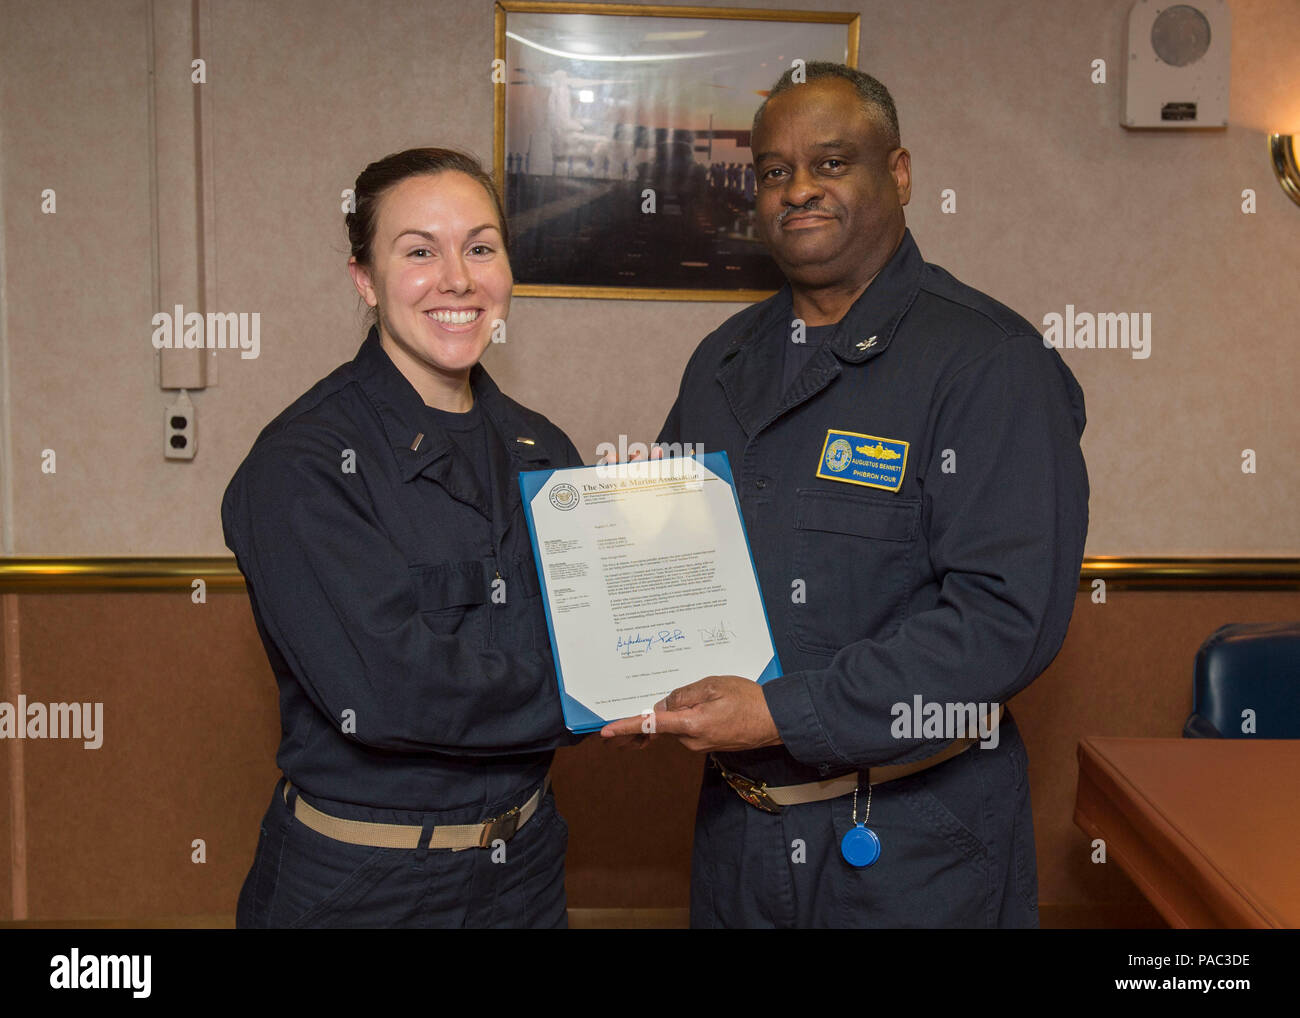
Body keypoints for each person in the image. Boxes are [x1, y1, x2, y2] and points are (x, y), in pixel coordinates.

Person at [602, 63, 1089, 928]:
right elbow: (670, 559)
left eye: (831, 163)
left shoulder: (988, 363)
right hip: (738, 834)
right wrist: (616, 643)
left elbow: (1001, 625)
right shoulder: (720, 363)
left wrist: (783, 712)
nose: (798, 191)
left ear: (897, 174)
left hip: (911, 844)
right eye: (774, 171)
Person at [222, 148, 583, 928]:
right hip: (367, 883)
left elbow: (592, 625)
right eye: (419, 251)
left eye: (480, 247)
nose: (457, 278)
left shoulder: (545, 452)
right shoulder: (304, 464)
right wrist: (602, 698)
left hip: (524, 866)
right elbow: (390, 691)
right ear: (364, 279)